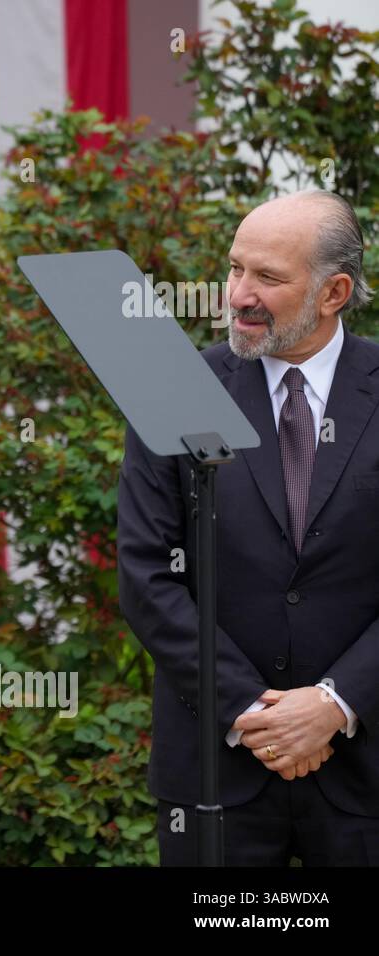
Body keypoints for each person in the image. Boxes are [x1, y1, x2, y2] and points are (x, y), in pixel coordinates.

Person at [117, 190, 379, 865]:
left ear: (334, 292)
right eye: (235, 269)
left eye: (267, 277)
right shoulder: (173, 387)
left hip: (367, 769)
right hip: (216, 772)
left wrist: (335, 703)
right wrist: (254, 712)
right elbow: (148, 577)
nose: (237, 294)